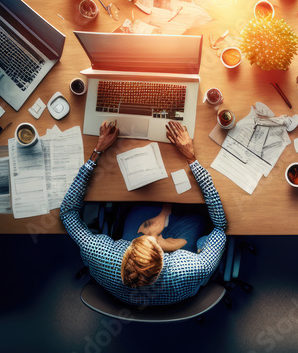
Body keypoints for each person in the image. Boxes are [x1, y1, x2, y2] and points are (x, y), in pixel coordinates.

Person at [61, 120, 226, 305]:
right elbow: (220, 227)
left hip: (123, 292)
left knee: (135, 212)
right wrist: (191, 158)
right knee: (198, 222)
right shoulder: (194, 267)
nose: (153, 232)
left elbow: (67, 213)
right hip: (178, 288)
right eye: (155, 238)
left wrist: (97, 152)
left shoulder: (98, 252)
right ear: (164, 257)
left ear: (126, 250)